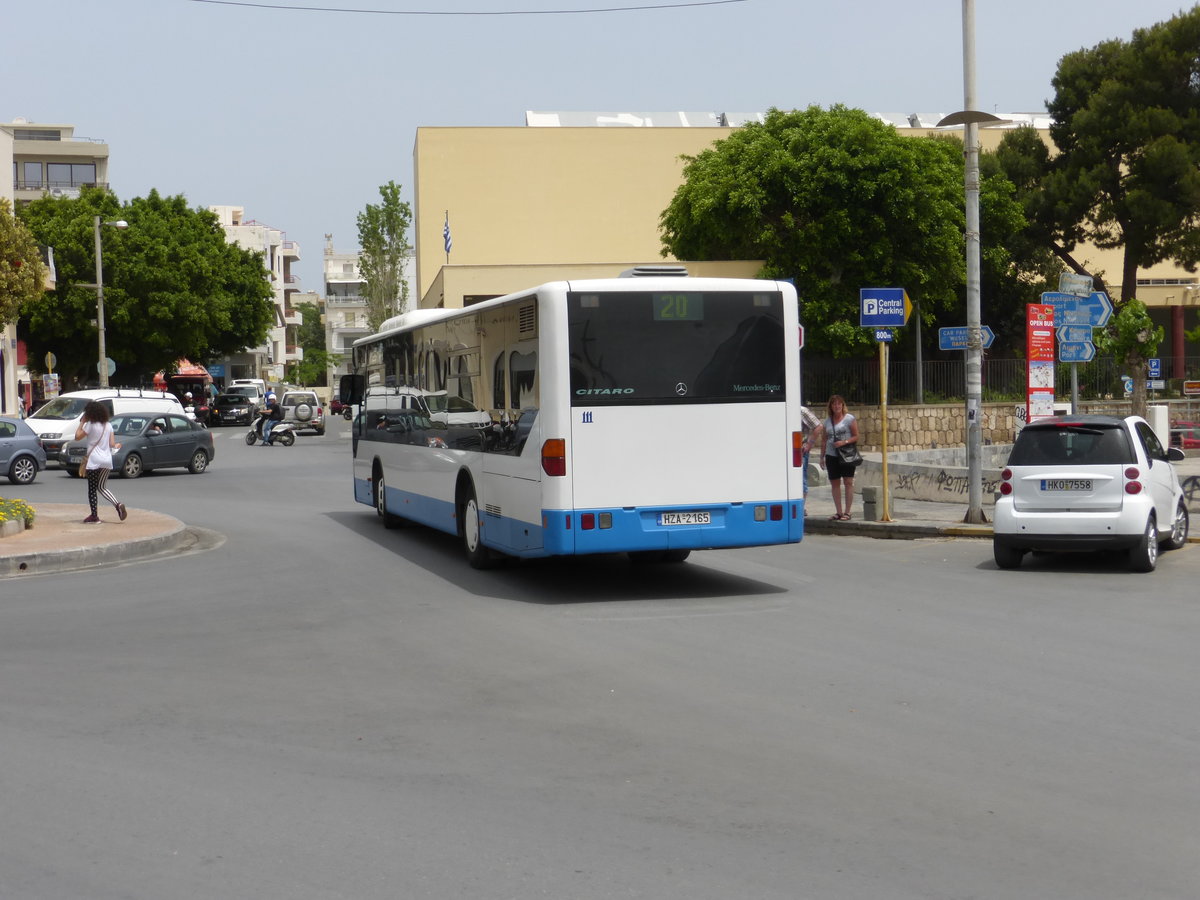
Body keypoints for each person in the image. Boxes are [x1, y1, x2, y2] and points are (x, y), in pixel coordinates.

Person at [74, 400, 126, 524]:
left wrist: (82, 422)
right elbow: (112, 444)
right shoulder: (108, 425)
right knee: (102, 487)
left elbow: (77, 437)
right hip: (107, 460)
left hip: (94, 460)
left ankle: (94, 516)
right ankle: (118, 505)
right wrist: (117, 445)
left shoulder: (90, 425)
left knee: (92, 489)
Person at [811, 394, 859, 521]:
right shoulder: (827, 421)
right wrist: (822, 457)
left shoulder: (849, 419)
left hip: (847, 455)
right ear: (831, 406)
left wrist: (844, 442)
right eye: (834, 404)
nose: (837, 406)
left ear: (843, 405)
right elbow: (824, 440)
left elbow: (856, 436)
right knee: (835, 483)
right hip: (832, 455)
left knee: (848, 482)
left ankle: (848, 512)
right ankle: (839, 512)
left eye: (839, 404)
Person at [799, 403, 821, 515]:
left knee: (801, 478)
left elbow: (818, 426)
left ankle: (801, 507)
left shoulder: (802, 411)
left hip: (800, 450)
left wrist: (809, 444)